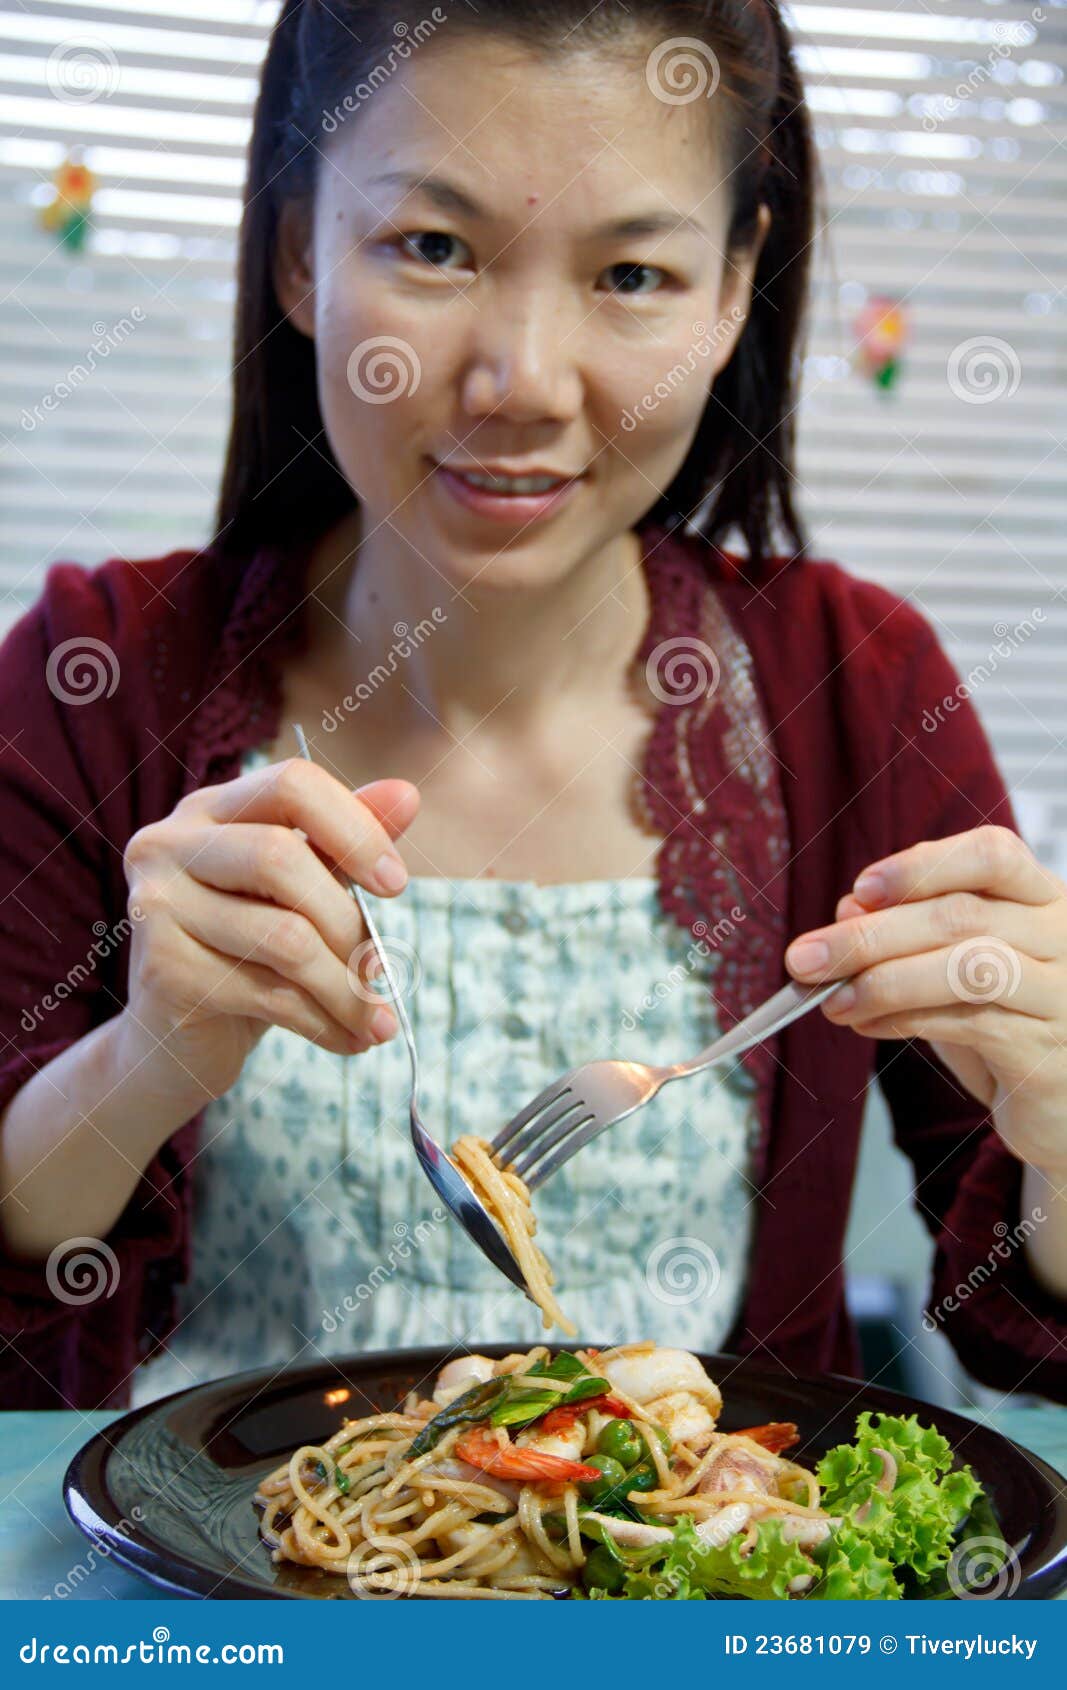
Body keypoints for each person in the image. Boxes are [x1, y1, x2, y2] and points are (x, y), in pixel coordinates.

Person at [0, 0, 1064, 1412]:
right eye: (432, 248)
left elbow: (1021, 1329)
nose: (523, 382)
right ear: (298, 252)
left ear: (737, 287)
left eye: (632, 273)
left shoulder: (857, 681)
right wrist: (140, 1063)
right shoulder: (100, 670)